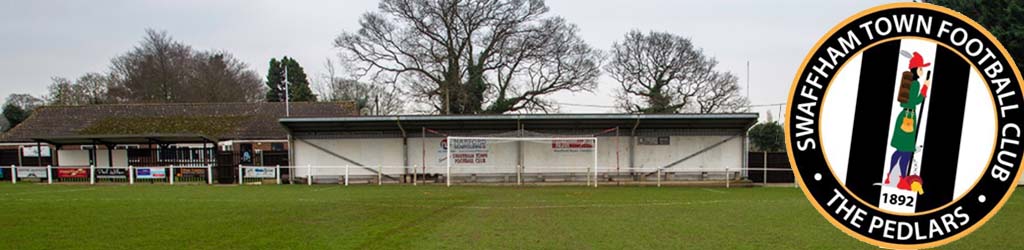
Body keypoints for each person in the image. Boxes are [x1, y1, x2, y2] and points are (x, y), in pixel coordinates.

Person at [886, 52, 931, 191]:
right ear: (916, 69)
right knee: (906, 151)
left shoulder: (908, 81)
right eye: (921, 68)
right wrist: (925, 87)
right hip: (909, 118)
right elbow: (914, 101)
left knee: (900, 150)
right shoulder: (915, 83)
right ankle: (902, 180)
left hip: (903, 117)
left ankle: (890, 176)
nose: (922, 71)